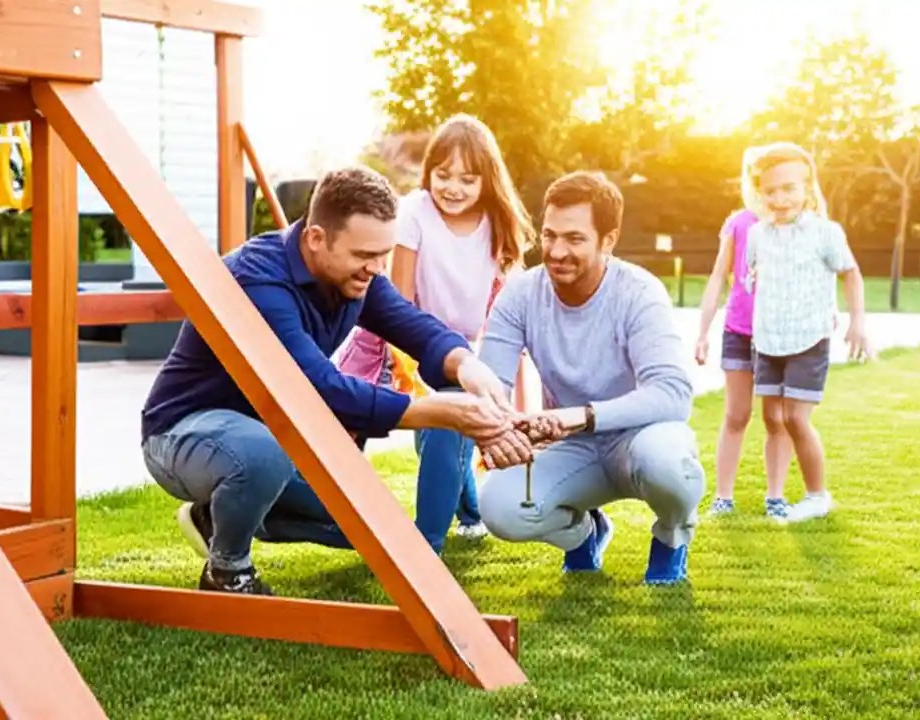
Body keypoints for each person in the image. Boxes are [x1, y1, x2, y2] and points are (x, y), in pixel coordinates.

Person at [139, 167, 531, 596]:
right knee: (262, 454)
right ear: (315, 239)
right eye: (365, 254)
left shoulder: (358, 277)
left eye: (383, 254)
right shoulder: (257, 279)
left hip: (274, 437)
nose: (377, 268)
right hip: (182, 433)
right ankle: (228, 571)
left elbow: (413, 324)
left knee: (382, 532)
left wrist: (468, 368)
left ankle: (215, 516)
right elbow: (318, 389)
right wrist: (439, 414)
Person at [475, 170, 706, 586]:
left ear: (608, 241)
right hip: (571, 448)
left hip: (640, 440)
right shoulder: (521, 294)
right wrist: (502, 428)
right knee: (499, 507)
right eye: (549, 235)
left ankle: (671, 538)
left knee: (668, 461)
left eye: (574, 239)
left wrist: (579, 415)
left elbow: (673, 394)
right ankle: (583, 535)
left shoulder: (639, 293)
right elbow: (491, 383)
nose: (556, 251)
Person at [386, 114, 536, 552]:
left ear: (486, 181)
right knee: (435, 438)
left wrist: (515, 402)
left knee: (445, 434)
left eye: (468, 178)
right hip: (417, 340)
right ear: (428, 170)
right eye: (443, 174)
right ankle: (469, 515)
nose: (453, 187)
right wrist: (407, 362)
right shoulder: (414, 210)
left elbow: (509, 315)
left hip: (473, 354)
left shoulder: (497, 222)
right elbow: (399, 297)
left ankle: (425, 545)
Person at [744, 141, 871, 523]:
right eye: (771, 191)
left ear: (807, 187)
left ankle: (818, 496)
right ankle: (775, 497)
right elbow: (753, 278)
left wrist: (856, 321)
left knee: (797, 419)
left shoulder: (825, 233)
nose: (780, 198)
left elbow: (851, 273)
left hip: (809, 339)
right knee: (772, 420)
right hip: (767, 340)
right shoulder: (757, 235)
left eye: (789, 188)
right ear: (760, 193)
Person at [694, 148, 794, 520]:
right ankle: (723, 497)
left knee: (777, 419)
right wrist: (703, 332)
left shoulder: (797, 225)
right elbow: (719, 276)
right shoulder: (739, 223)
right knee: (736, 415)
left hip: (780, 338)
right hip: (739, 331)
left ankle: (776, 497)